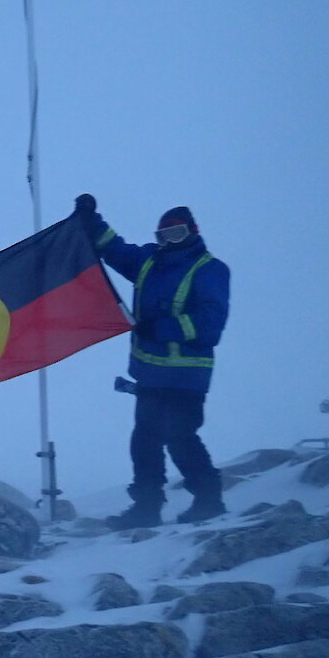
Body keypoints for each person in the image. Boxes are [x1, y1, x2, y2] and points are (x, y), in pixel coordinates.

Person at [73, 195, 231, 529]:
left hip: (186, 377)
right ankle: (146, 508)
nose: (169, 241)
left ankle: (209, 500)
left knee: (180, 437)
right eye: (164, 235)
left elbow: (211, 322)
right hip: (150, 375)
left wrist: (161, 328)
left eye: (176, 234)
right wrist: (90, 219)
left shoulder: (210, 269)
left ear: (192, 231)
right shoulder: (148, 262)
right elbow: (114, 249)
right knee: (144, 440)